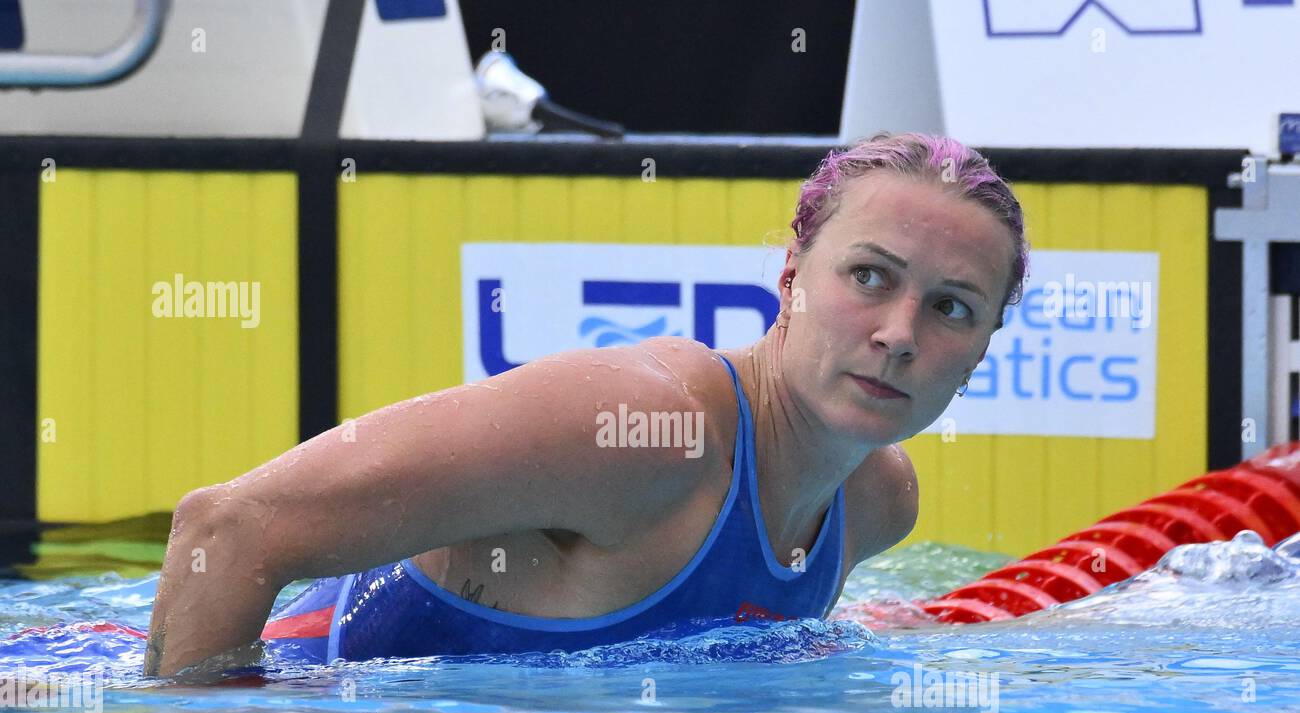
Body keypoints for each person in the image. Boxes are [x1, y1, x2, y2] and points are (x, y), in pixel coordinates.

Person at [143, 132, 1029, 677]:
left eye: (952, 306)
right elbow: (228, 531)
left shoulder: (879, 504)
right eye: (869, 277)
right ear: (791, 278)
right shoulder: (642, 435)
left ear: (984, 346)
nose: (900, 332)